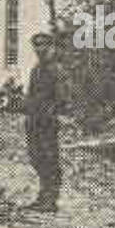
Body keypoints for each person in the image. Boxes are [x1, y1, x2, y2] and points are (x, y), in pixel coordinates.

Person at [23, 31, 65, 211]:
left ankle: (51, 198)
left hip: (47, 122)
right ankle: (43, 194)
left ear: (50, 47)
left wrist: (51, 112)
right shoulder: (36, 69)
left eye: (43, 45)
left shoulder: (55, 69)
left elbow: (62, 97)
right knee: (36, 157)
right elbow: (31, 95)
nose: (39, 49)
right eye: (36, 45)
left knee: (49, 159)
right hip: (34, 120)